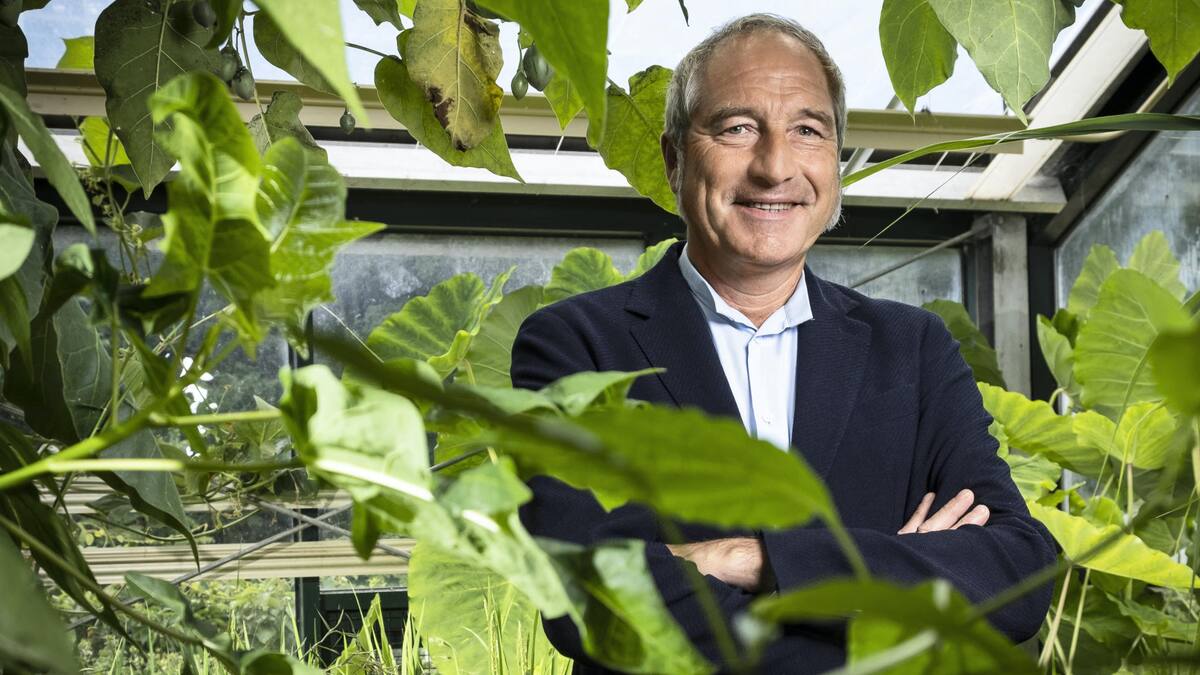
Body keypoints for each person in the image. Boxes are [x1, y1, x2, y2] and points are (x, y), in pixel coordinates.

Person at [511, 13, 1056, 673]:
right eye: (738, 128)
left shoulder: (911, 348)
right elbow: (586, 594)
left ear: (834, 159)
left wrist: (757, 558)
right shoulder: (576, 346)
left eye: (807, 130)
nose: (775, 167)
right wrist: (882, 587)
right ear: (674, 158)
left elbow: (1018, 570)